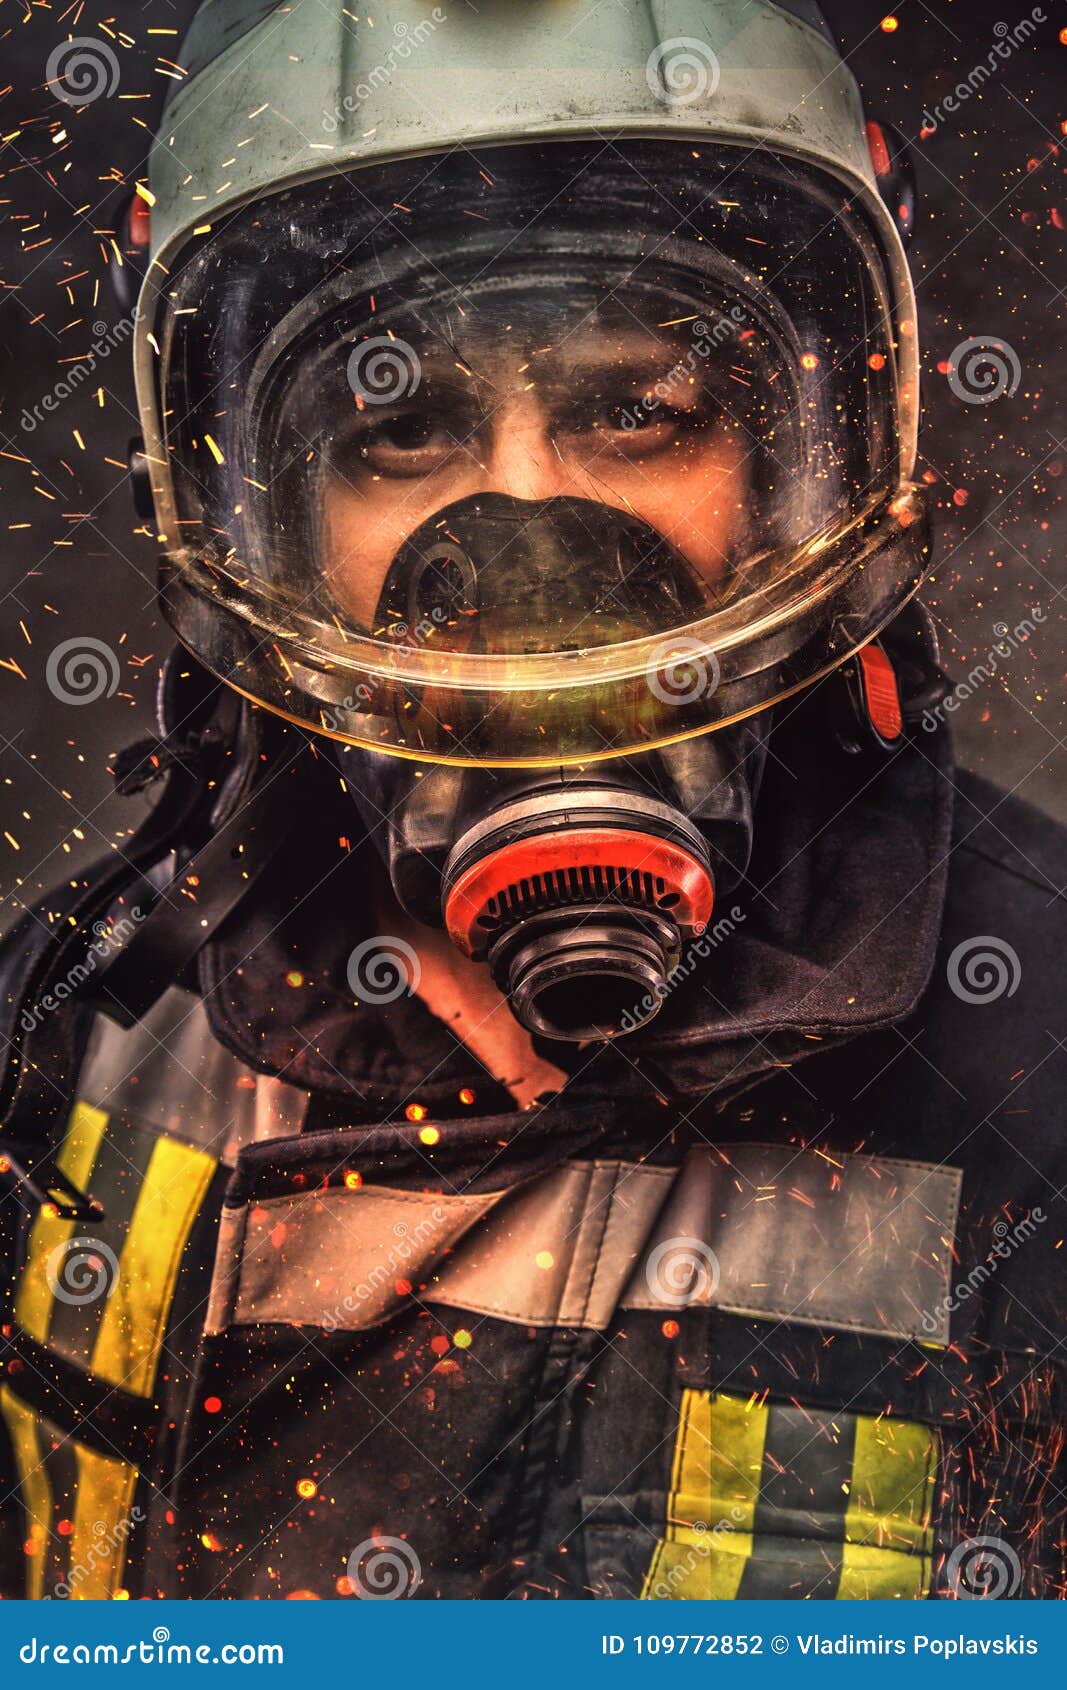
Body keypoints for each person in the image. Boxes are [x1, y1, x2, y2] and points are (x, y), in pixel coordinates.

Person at [1, 0, 1064, 1602]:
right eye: (401, 427)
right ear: (255, 515)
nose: (524, 542)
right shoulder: (80, 1042)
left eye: (636, 408)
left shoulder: (1038, 1059)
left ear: (809, 464)